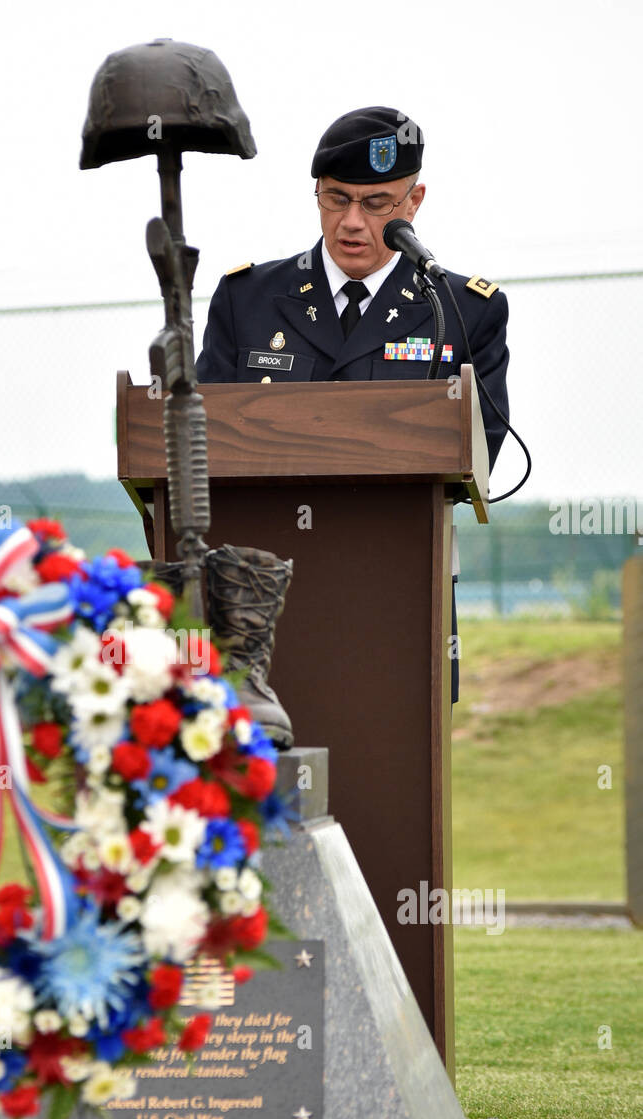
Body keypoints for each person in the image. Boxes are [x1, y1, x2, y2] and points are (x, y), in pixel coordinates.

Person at [195, 105, 510, 699]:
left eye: (377, 203)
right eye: (336, 199)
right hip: (258, 598)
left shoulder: (464, 310)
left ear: (415, 202)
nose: (352, 223)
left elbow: (483, 446)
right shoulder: (249, 300)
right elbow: (200, 444)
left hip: (398, 589)